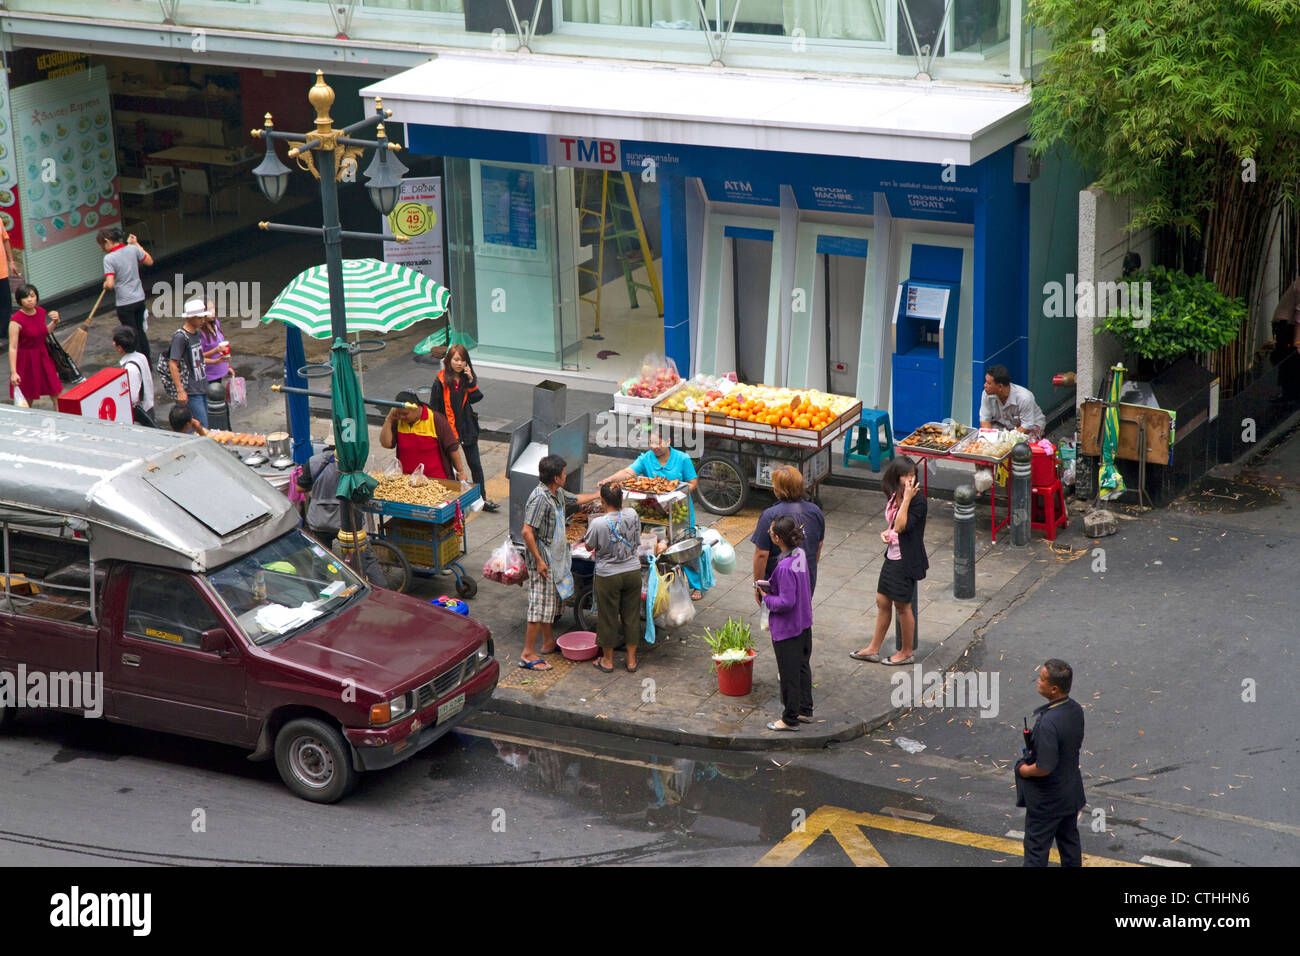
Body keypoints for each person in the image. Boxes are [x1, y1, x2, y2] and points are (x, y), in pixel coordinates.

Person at [519, 453, 599, 671]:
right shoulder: (540, 499)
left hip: (554, 558)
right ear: (556, 477)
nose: (566, 475)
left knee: (549, 603)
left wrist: (597, 495)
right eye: (563, 473)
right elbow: (527, 532)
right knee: (539, 607)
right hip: (543, 560)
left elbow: (576, 499)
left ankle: (547, 642)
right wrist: (538, 561)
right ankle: (527, 654)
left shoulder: (557, 493)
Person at [600, 428, 703, 596]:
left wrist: (677, 497)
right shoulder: (646, 458)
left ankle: (696, 585)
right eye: (652, 442)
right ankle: (657, 581)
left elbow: (692, 482)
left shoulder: (682, 459)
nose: (655, 446)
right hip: (654, 511)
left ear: (669, 442)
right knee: (656, 546)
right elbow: (628, 472)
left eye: (659, 443)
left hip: (679, 511)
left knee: (684, 546)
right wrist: (609, 480)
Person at [851, 456, 927, 665]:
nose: (909, 480)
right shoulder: (895, 495)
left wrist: (908, 498)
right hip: (892, 555)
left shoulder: (917, 501)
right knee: (882, 600)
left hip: (906, 559)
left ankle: (906, 652)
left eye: (912, 475)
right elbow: (894, 526)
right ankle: (873, 648)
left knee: (902, 605)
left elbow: (902, 526)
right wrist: (887, 532)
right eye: (905, 476)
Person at [1016, 659, 1087, 867]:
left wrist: (1024, 770)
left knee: (1036, 851)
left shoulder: (1048, 722)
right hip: (1070, 793)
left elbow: (1044, 767)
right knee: (1069, 846)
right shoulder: (1075, 710)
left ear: (1054, 689)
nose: (1037, 681)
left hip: (1048, 801)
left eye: (1042, 679)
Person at [296, 439, 387, 586]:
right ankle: (374, 587)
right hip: (346, 522)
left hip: (319, 521)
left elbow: (300, 488)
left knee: (320, 558)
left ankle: (320, 590)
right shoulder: (352, 464)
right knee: (363, 557)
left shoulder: (313, 461)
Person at [759, 514, 814, 732]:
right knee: (802, 667)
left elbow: (785, 601)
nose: (769, 533)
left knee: (788, 673)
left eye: (771, 532)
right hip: (804, 623)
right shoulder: (800, 555)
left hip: (787, 629)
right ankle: (804, 708)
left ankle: (789, 718)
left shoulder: (784, 567)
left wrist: (766, 597)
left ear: (778, 538)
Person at [583, 483, 643, 674]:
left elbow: (588, 546)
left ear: (602, 501)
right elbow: (637, 538)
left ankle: (607, 661)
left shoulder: (598, 523)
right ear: (621, 499)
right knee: (631, 616)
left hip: (608, 575)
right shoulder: (632, 514)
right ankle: (631, 660)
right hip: (633, 572)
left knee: (608, 617)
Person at [430, 344, 498, 512]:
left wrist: (471, 380)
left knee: (475, 465)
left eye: (463, 360)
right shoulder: (440, 380)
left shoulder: (467, 378)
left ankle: (482, 498)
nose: (459, 363)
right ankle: (453, 501)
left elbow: (476, 398)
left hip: (467, 427)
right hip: (448, 429)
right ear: (449, 361)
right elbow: (434, 408)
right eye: (456, 360)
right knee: (450, 468)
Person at [751, 465, 825, 602]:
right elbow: (818, 545)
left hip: (777, 585)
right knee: (801, 617)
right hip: (806, 581)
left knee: (777, 620)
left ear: (779, 490)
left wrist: (758, 585)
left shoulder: (769, 516)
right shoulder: (815, 512)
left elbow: (761, 554)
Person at [378, 388, 471, 481]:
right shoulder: (398, 420)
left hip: (435, 480)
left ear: (416, 408)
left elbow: (452, 449)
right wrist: (389, 419)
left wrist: (460, 472)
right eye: (399, 414)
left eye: (405, 414)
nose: (402, 417)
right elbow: (386, 444)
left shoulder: (435, 419)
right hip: (406, 480)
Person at [98, 227, 154, 363]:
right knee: (140, 331)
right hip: (139, 299)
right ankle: (147, 362)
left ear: (107, 241)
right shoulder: (132, 249)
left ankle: (137, 363)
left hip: (125, 303)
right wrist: (136, 244)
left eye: (102, 245)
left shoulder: (109, 258)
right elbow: (149, 261)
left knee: (131, 335)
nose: (102, 249)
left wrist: (105, 284)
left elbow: (110, 284)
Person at [7, 283, 62, 408]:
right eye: (26, 297)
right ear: (19, 300)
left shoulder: (41, 312)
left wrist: (55, 322)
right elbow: (13, 347)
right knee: (27, 400)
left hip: (43, 356)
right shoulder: (16, 321)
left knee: (56, 392)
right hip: (25, 361)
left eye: (32, 296)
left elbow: (43, 332)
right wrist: (13, 372)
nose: (30, 299)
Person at [169, 298, 209, 428]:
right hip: (191, 390)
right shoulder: (180, 337)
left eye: (203, 317)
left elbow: (198, 358)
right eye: (199, 318)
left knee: (202, 424)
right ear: (189, 318)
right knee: (199, 425)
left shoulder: (197, 333)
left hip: (201, 385)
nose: (203, 320)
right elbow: (173, 363)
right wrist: (180, 390)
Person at [980, 364, 1045, 439]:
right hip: (1003, 425)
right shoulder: (986, 393)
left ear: (1000, 387)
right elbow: (985, 420)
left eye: (988, 383)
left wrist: (1007, 440)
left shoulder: (1024, 397)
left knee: (1021, 447)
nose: (985, 385)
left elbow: (1027, 425)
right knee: (984, 439)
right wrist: (989, 439)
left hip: (1030, 426)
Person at [112, 326, 156, 427]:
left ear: (120, 348)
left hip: (141, 415)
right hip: (149, 407)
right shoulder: (141, 357)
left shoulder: (130, 368)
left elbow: (133, 398)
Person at [198, 299, 232, 409]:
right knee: (214, 408)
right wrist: (215, 352)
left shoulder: (215, 323)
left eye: (213, 308)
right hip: (208, 376)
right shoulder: (199, 332)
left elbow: (220, 344)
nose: (212, 312)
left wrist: (227, 366)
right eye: (208, 309)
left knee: (222, 405)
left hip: (219, 372)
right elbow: (198, 357)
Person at [0, 216, 20, 321]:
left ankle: (3, 333)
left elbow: (5, 240)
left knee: (6, 303)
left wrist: (11, 262)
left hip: (2, 271)